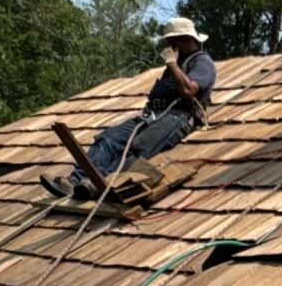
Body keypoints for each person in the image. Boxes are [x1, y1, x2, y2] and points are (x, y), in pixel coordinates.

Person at [41, 16, 217, 201]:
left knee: (138, 146)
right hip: (151, 115)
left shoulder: (202, 62)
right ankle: (76, 180)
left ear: (185, 40)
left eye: (172, 42)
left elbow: (189, 90)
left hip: (177, 117)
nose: (168, 46)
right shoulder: (177, 64)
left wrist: (171, 63)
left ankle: (100, 183)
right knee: (109, 138)